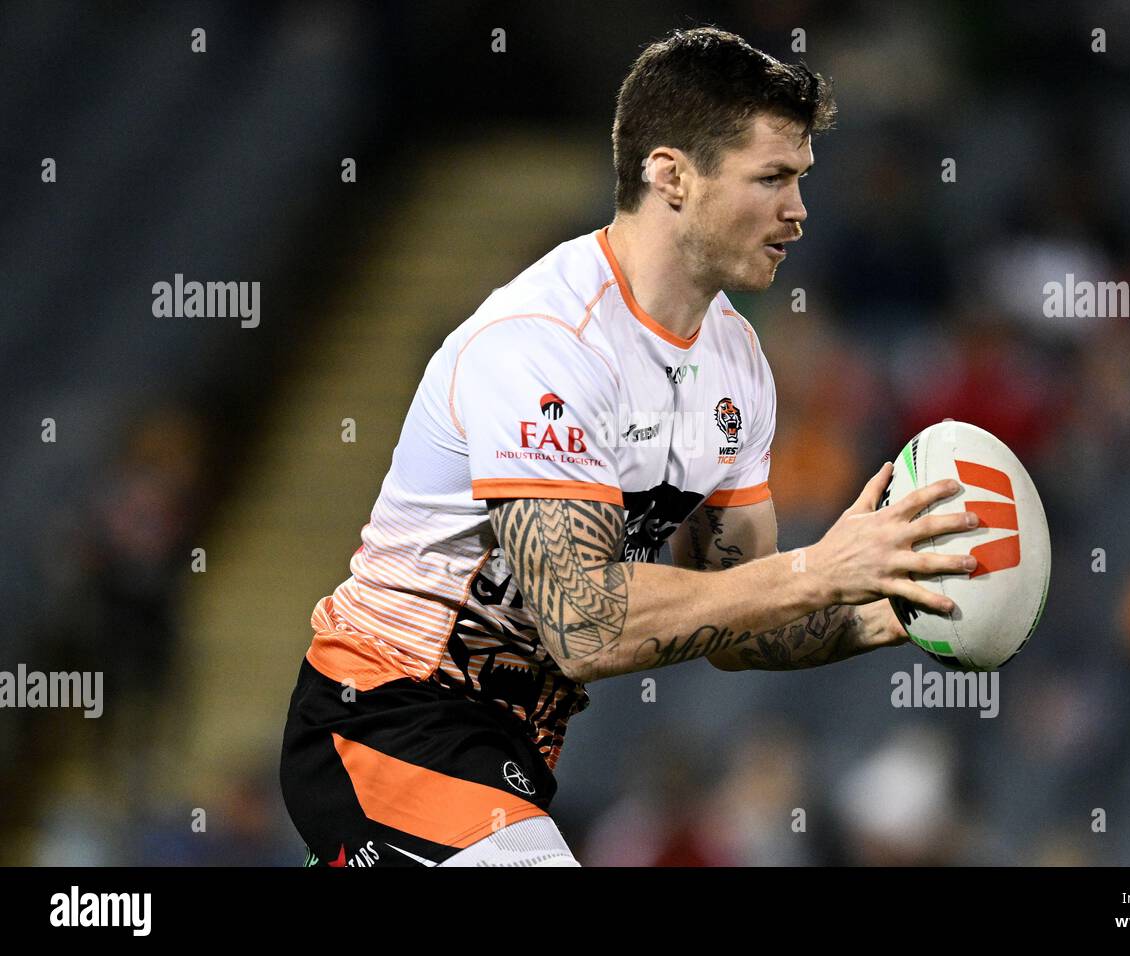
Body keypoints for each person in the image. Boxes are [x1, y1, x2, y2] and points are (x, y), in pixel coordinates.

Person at [280, 25, 975, 868]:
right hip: (384, 715)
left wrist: (887, 606)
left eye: (801, 180)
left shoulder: (738, 364)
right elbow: (584, 626)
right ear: (671, 175)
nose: (799, 210)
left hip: (507, 756)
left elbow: (738, 620)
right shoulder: (545, 344)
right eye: (772, 178)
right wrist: (817, 569)